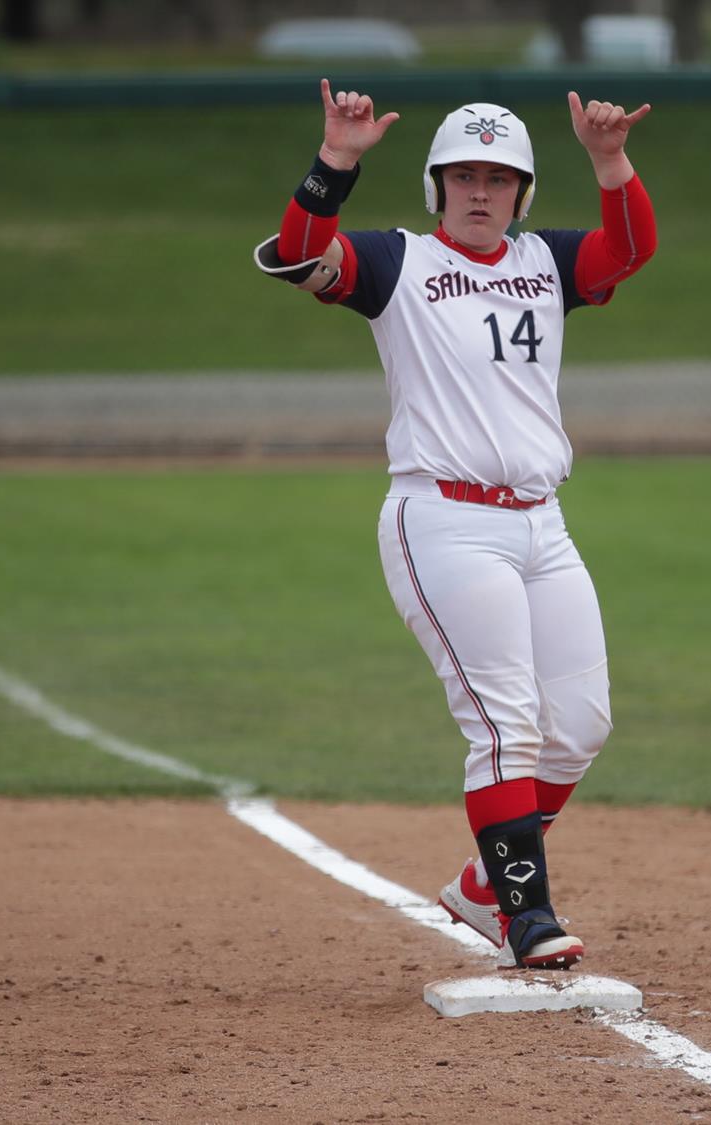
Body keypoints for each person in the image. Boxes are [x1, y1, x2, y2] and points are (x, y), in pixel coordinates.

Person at [255, 80, 656, 969]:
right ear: (438, 185)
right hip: (444, 521)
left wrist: (610, 160)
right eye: (465, 175)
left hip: (542, 525)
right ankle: (526, 914)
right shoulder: (396, 262)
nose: (482, 191)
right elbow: (296, 251)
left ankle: (480, 884)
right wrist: (336, 163)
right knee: (506, 721)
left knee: (581, 723)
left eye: (501, 178)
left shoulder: (546, 262)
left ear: (523, 192)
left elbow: (629, 249)